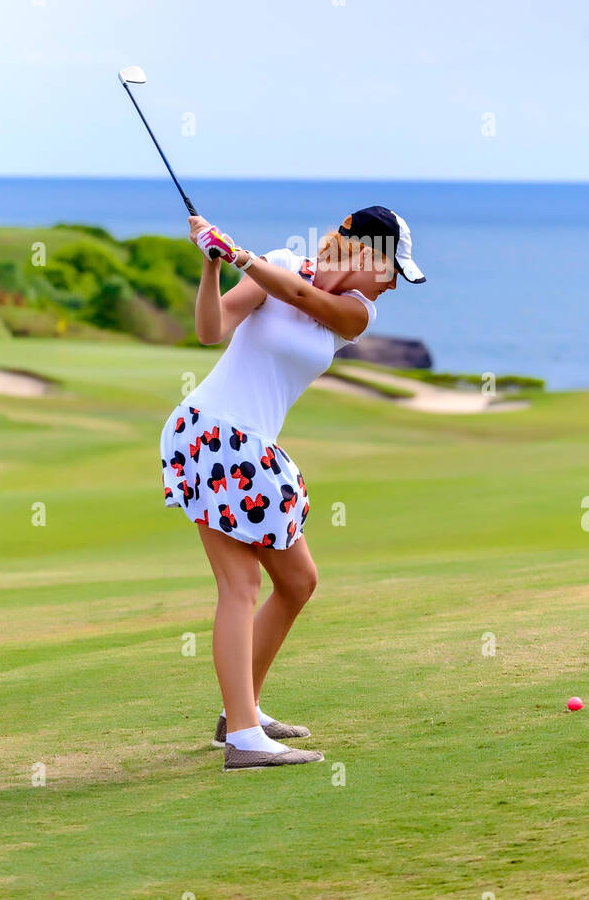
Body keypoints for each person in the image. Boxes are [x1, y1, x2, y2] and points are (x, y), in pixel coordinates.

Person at [160, 206, 425, 771]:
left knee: (298, 581)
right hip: (210, 432)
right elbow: (211, 331)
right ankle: (244, 736)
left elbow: (305, 300)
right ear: (366, 254)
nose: (392, 283)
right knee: (240, 584)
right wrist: (212, 266)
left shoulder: (357, 311)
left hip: (247, 443)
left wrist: (240, 256)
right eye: (392, 269)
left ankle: (240, 714)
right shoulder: (277, 265)